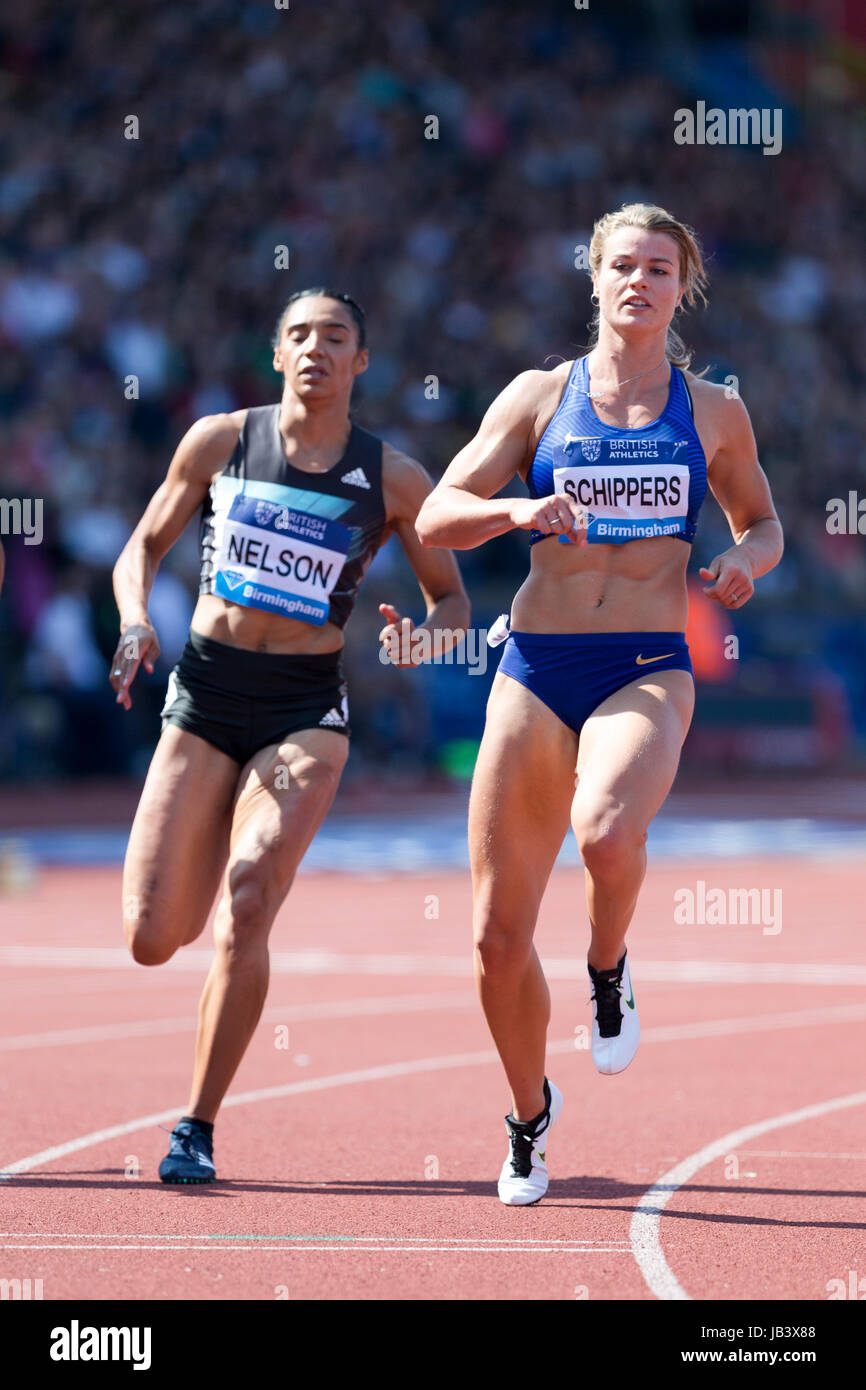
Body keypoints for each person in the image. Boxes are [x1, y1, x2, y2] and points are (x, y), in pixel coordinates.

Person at [416, 204, 783, 1205]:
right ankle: (528, 1117)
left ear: (681, 286)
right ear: (593, 277)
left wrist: (743, 561)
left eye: (658, 268)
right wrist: (514, 509)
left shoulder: (712, 411)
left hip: (644, 662)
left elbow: (763, 523)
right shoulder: (539, 396)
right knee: (495, 940)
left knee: (607, 831)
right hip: (535, 665)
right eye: (621, 264)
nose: (638, 281)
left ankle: (608, 966)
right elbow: (439, 513)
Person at [111, 288, 469, 1183]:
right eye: (299, 335)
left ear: (361, 362)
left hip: (305, 707)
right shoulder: (221, 440)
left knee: (249, 900)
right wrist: (133, 621)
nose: (315, 348)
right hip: (204, 691)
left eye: (334, 336)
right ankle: (194, 915)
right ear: (277, 354)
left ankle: (195, 1125)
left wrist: (424, 638)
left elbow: (453, 599)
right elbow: (141, 548)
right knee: (154, 936)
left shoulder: (394, 478)